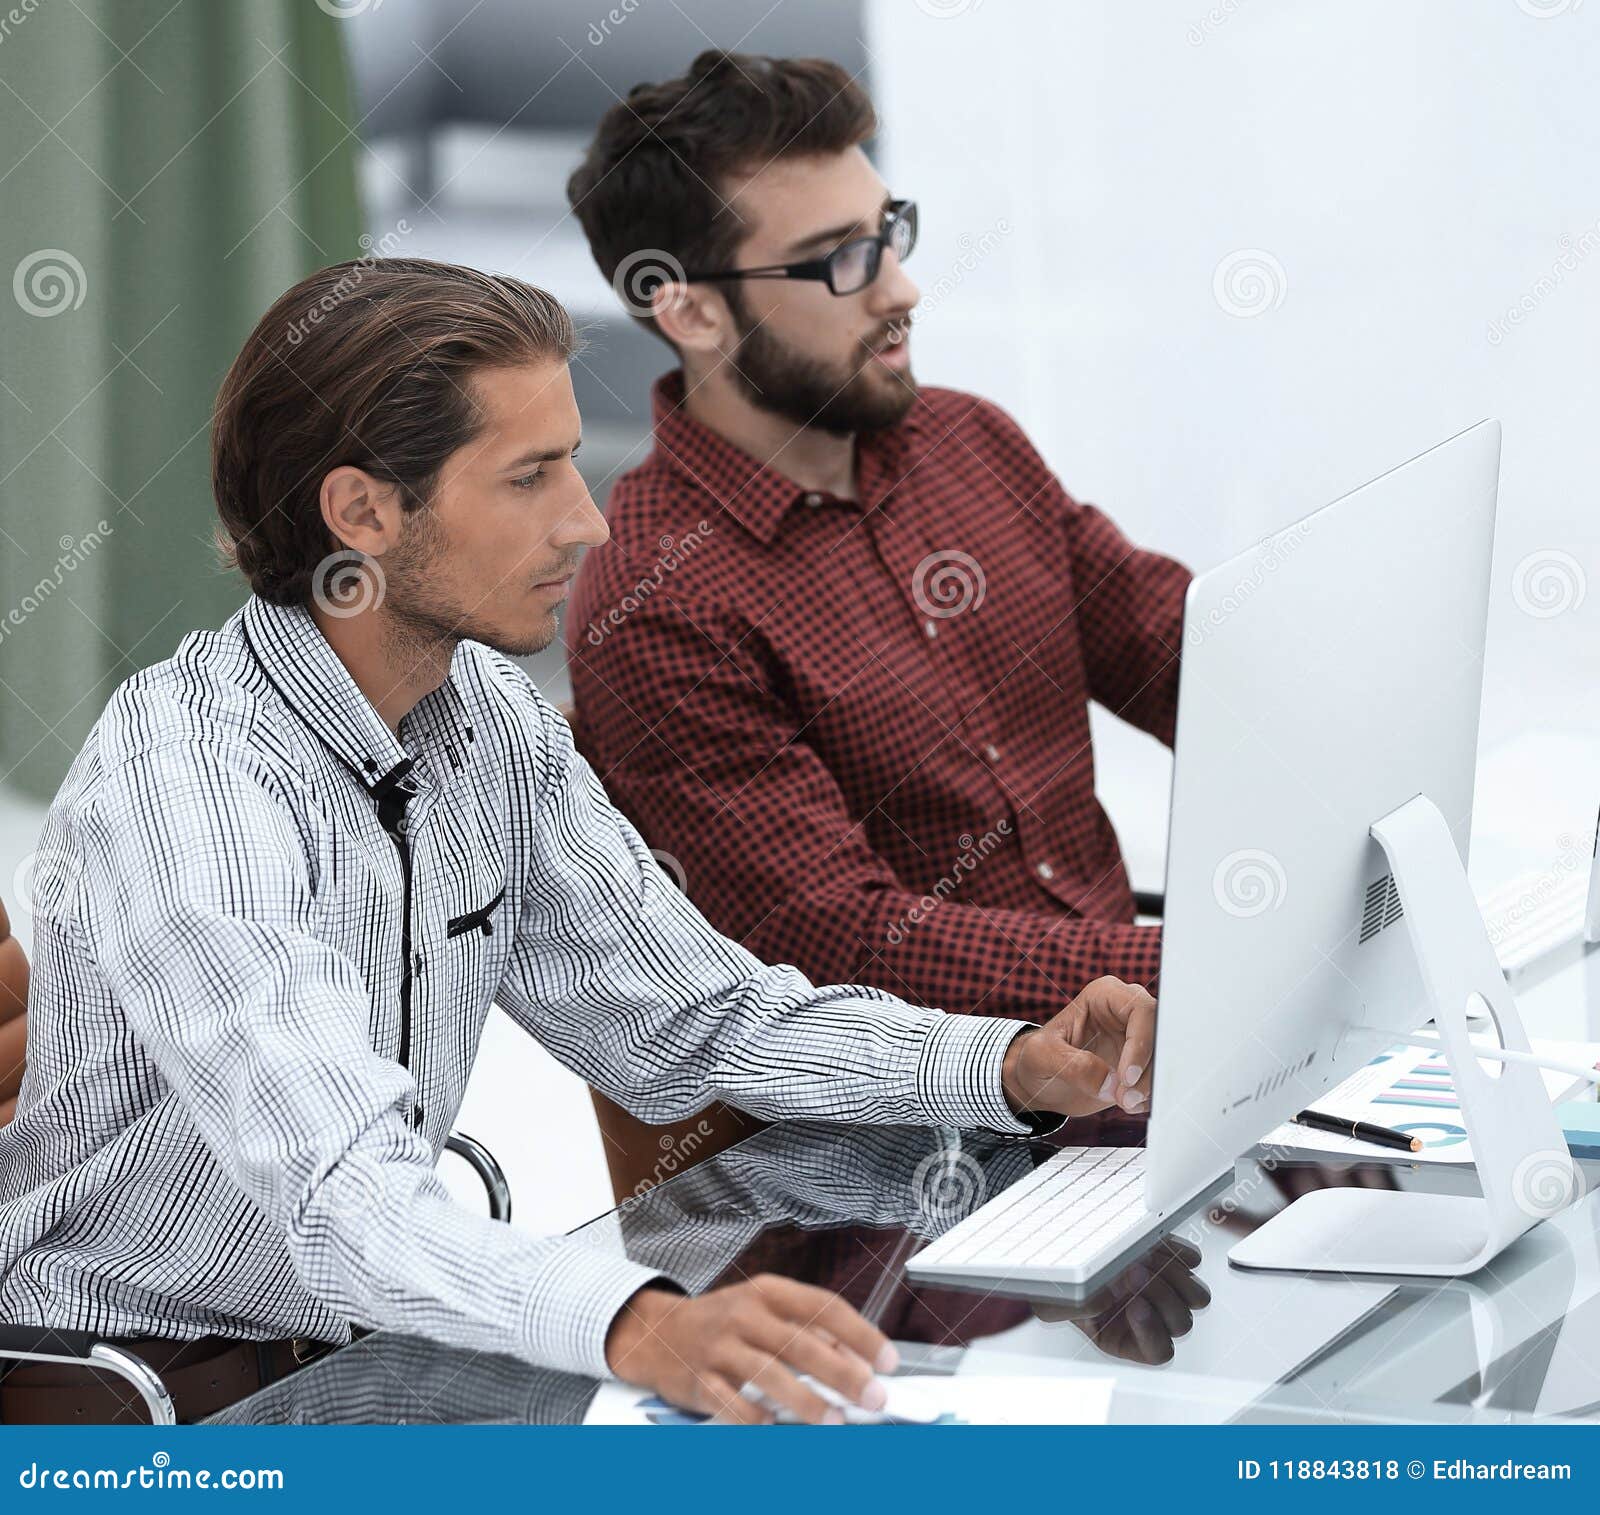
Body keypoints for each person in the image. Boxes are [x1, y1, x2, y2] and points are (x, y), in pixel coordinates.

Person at [0, 259, 1153, 1426]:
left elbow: (701, 1022)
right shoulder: (187, 780)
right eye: (529, 476)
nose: (585, 519)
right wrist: (640, 1324)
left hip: (370, 1368)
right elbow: (342, 1195)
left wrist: (1008, 1064)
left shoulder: (488, 721)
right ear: (362, 515)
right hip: (138, 1409)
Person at [566, 51, 1192, 1023]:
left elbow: (1177, 654)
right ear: (690, 309)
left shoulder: (966, 440)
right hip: (952, 1101)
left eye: (887, 233)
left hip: (1160, 1033)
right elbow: (845, 941)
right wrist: (1192, 970)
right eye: (840, 260)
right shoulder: (658, 601)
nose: (900, 289)